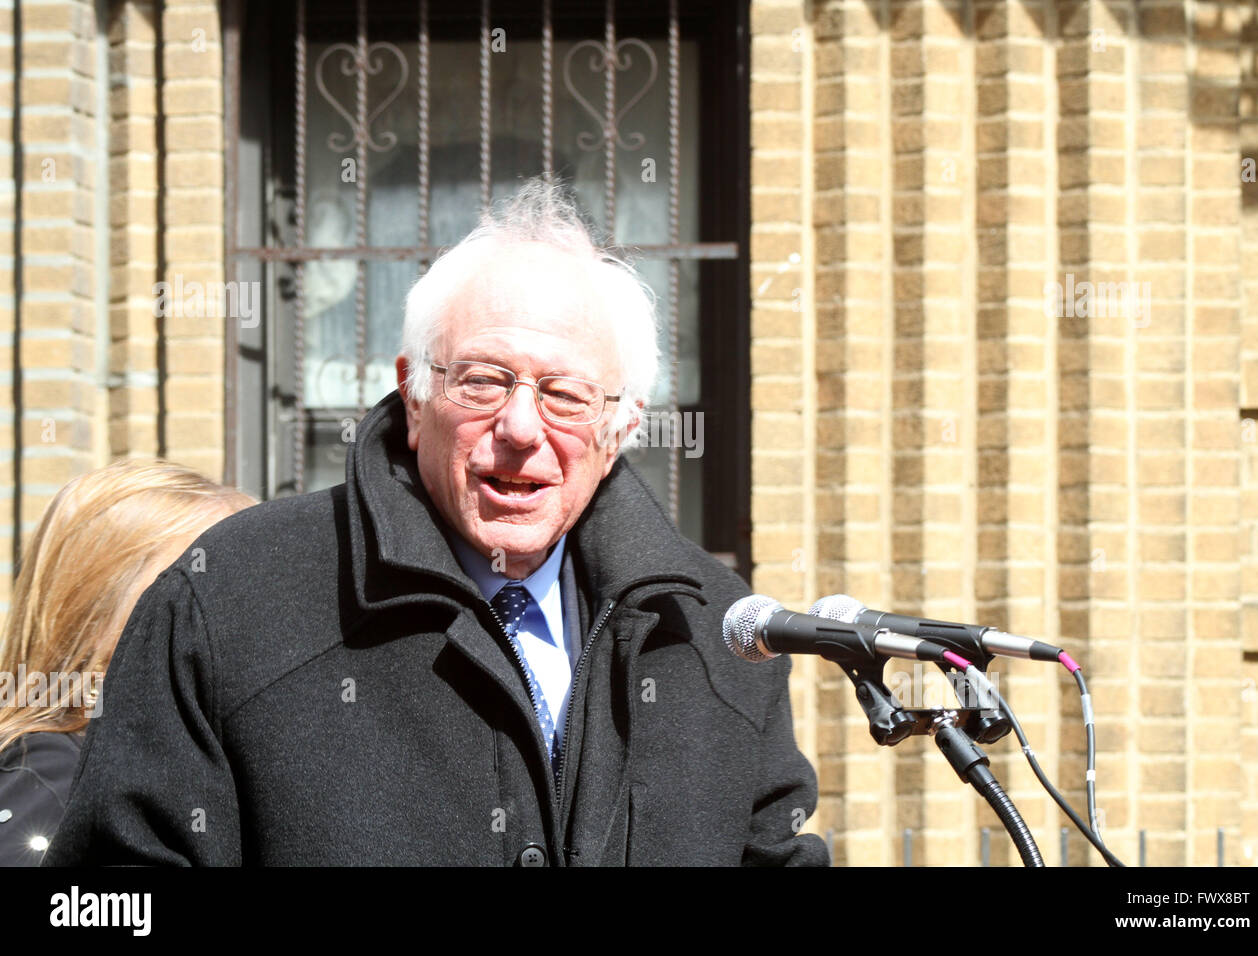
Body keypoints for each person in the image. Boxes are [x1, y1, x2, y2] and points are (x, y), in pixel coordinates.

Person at [45, 179, 829, 866]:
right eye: (483, 381)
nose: (522, 427)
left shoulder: (712, 633)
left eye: (565, 394)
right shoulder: (230, 600)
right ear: (413, 398)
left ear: (620, 426)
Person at [0, 461, 254, 866]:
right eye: (206, 589)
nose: (250, 615)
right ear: (94, 612)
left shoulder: (158, 759)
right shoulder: (57, 784)